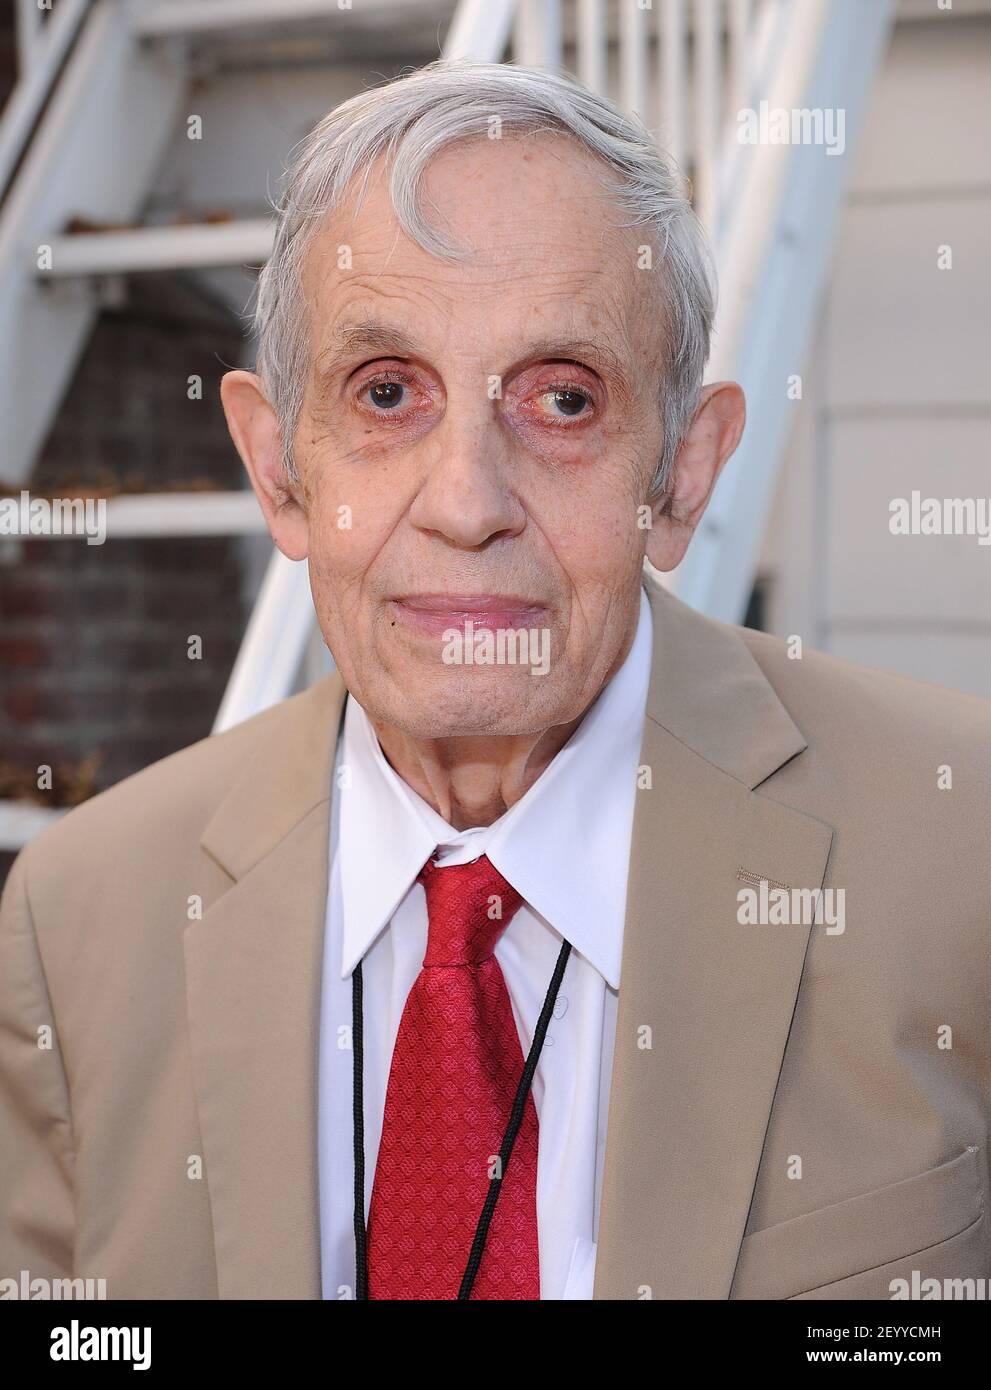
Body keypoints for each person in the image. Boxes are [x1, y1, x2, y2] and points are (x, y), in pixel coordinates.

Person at [1, 59, 988, 1301]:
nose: (467, 503)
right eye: (386, 392)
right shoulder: (78, 918)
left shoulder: (963, 849)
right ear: (278, 469)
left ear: (680, 479)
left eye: (563, 399)